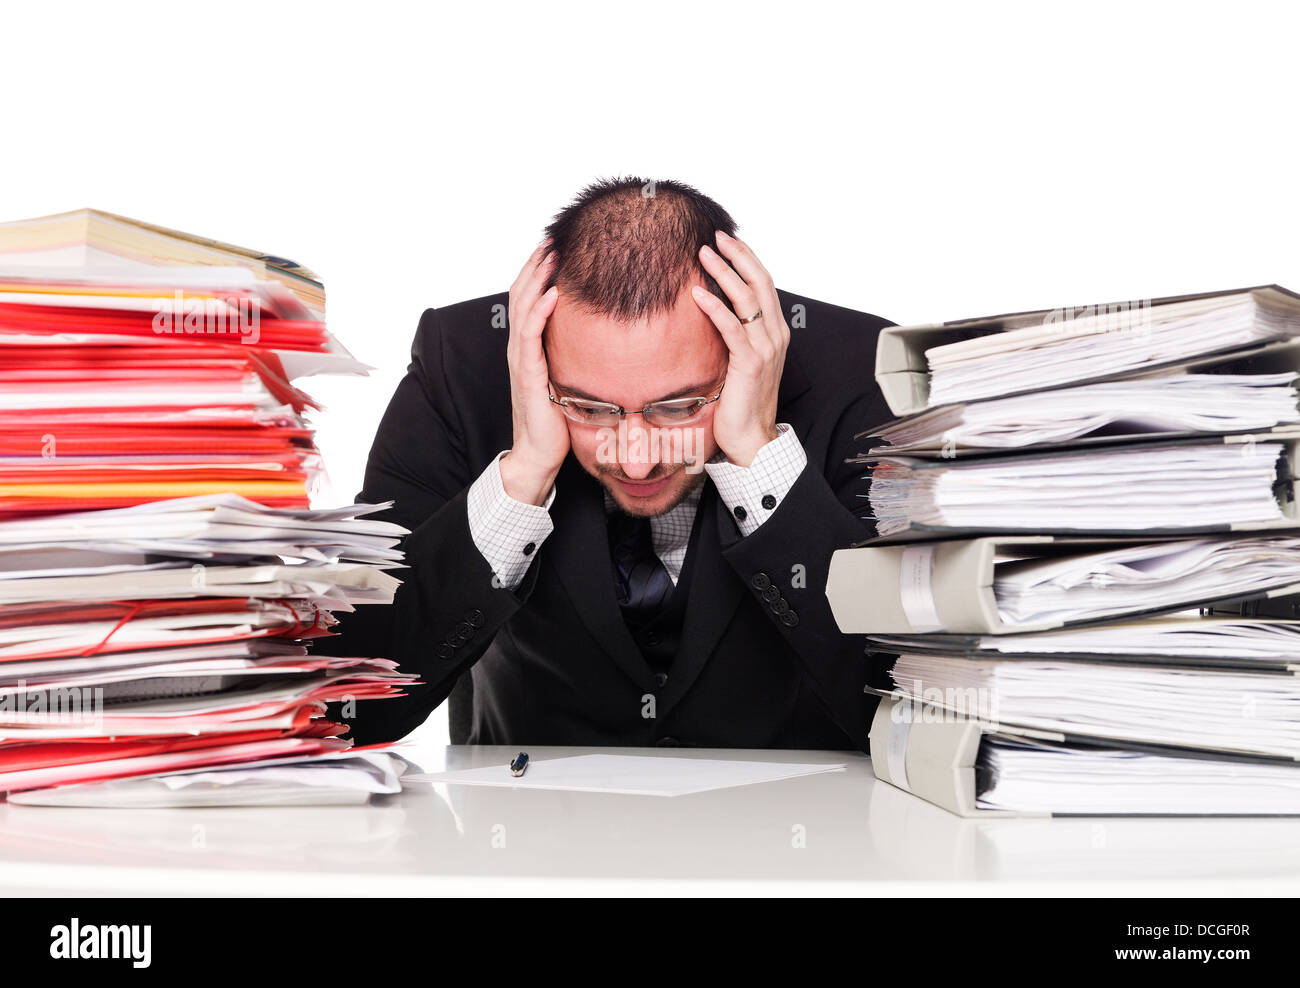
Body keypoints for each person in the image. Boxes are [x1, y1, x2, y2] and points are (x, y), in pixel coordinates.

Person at [318, 176, 895, 750]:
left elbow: (898, 695)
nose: (636, 462)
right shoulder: (462, 369)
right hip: (530, 824)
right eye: (590, 407)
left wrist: (757, 451)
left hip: (809, 828)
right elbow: (345, 708)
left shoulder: (859, 371)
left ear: (744, 348)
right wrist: (524, 475)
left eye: (680, 405)